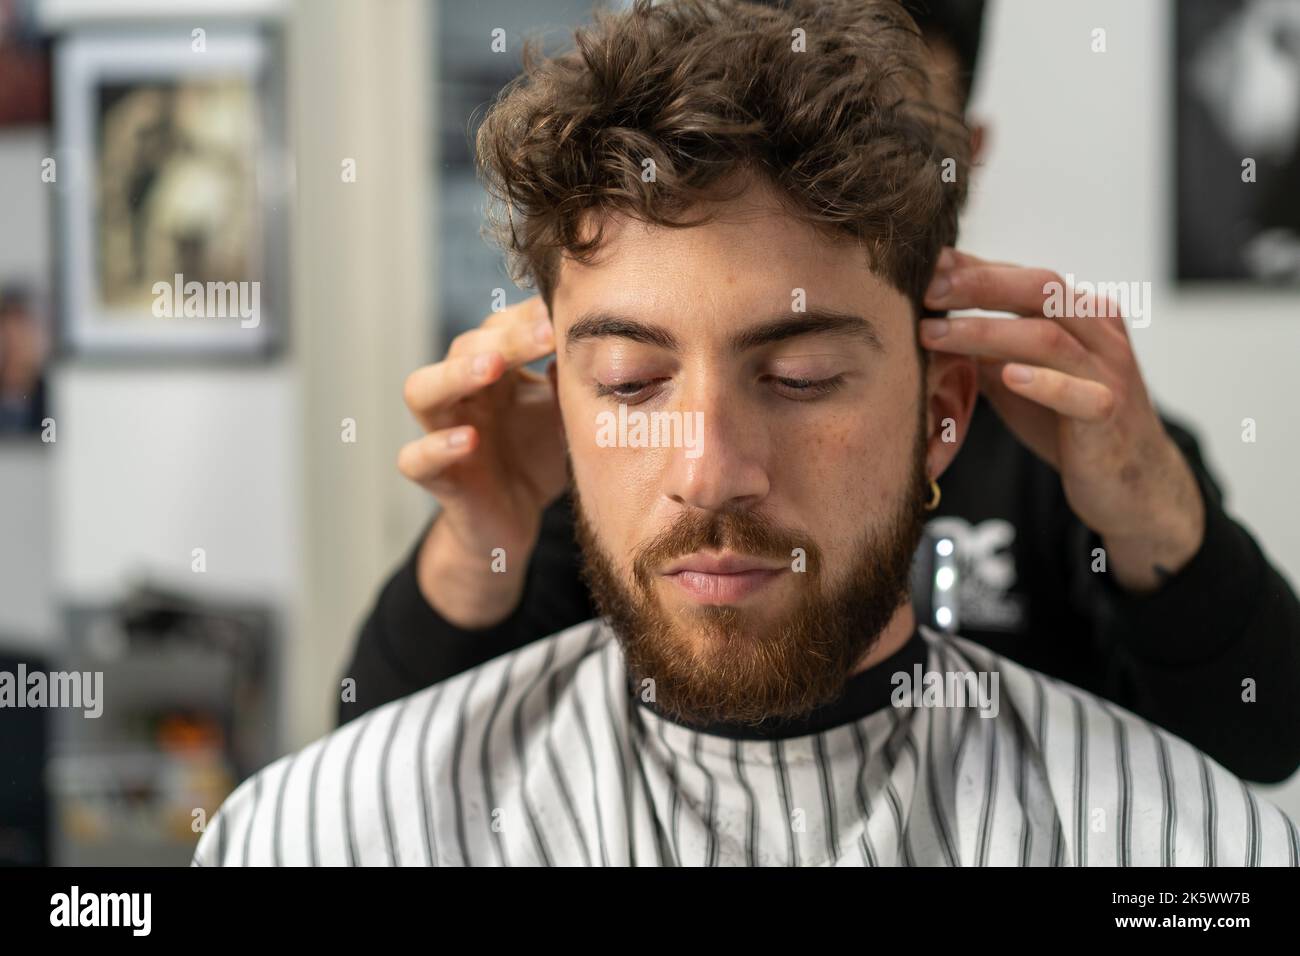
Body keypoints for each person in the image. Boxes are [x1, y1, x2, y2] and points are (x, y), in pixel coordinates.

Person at [199, 0, 1297, 866]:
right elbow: (390, 756)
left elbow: (1263, 725)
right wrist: (476, 536)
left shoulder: (1180, 840)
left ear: (941, 410)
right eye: (630, 379)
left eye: (802, 374)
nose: (709, 471)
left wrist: (1162, 519)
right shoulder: (317, 826)